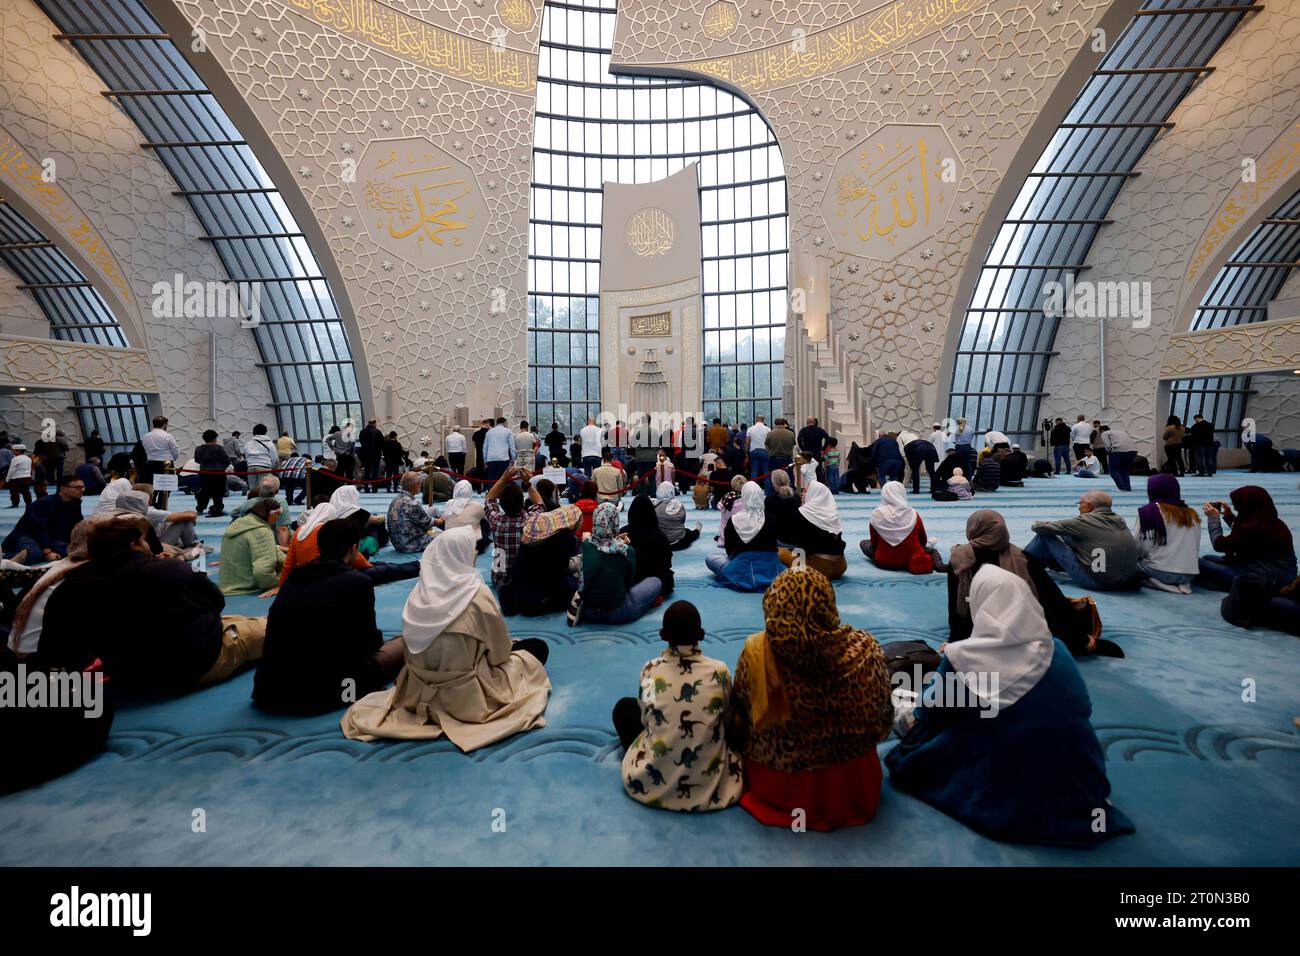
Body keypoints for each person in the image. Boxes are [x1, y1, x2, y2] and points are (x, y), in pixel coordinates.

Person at [887, 565, 1135, 847]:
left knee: (910, 721)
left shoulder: (964, 659)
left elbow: (931, 716)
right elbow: (1080, 708)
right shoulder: (1058, 649)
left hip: (1008, 792)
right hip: (1081, 784)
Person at [341, 526, 551, 749]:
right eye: (470, 549)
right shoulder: (477, 595)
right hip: (467, 697)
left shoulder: (418, 595)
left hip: (416, 691)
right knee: (537, 649)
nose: (473, 554)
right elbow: (499, 655)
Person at [727, 566, 893, 830]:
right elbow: (883, 715)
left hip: (782, 787)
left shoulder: (755, 654)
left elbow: (743, 718)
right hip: (854, 787)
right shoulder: (866, 648)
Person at [40, 515, 266, 694]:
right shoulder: (165, 570)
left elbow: (57, 650)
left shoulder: (71, 587)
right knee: (279, 626)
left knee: (236, 621)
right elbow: (216, 601)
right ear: (135, 545)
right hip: (196, 664)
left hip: (129, 677)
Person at [253, 518, 406, 713]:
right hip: (329, 691)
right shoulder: (357, 582)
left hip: (272, 688)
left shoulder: (294, 577)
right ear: (353, 549)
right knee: (409, 642)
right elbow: (367, 643)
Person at [611, 600, 743, 811]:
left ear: (663, 635)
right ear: (701, 634)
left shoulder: (649, 671)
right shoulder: (720, 671)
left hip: (652, 778)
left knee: (624, 709)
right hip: (712, 787)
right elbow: (726, 719)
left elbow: (646, 719)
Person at [947, 510, 1116, 657]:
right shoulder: (1024, 559)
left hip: (977, 635)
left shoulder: (959, 559)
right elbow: (1053, 603)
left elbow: (956, 607)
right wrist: (1080, 639)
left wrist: (956, 641)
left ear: (972, 530)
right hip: (1021, 634)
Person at [1025, 489, 1139, 590]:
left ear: (1090, 506)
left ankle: (1020, 564)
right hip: (1124, 581)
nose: (1079, 507)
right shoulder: (1120, 520)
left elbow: (1039, 528)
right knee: (1067, 537)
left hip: (1097, 581)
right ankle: (1041, 562)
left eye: (1080, 503)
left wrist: (1043, 524)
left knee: (1045, 535)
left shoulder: (1084, 521)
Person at [571, 502, 662, 626]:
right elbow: (628, 583)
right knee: (655, 581)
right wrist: (625, 545)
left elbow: (600, 547)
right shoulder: (626, 550)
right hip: (618, 612)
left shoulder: (586, 545)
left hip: (588, 612)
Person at [1197, 486, 1297, 596]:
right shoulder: (1272, 522)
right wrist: (1229, 516)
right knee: (1207, 558)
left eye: (1239, 506)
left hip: (1262, 578)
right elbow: (1243, 536)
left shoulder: (1252, 529)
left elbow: (1220, 544)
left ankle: (1231, 585)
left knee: (1196, 563)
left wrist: (1213, 518)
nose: (1236, 508)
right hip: (1278, 573)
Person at [500, 499, 582, 616]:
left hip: (521, 592)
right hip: (543, 597)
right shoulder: (566, 539)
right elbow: (560, 570)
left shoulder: (532, 531)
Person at [706, 481, 785, 591]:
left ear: (744, 497)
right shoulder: (771, 519)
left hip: (741, 565)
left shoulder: (734, 520)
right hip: (770, 566)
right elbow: (774, 543)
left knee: (711, 559)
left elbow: (729, 549)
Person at [1131, 475, 1201, 594]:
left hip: (1158, 571)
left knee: (1120, 564)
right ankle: (1181, 583)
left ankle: (1159, 583)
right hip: (1189, 574)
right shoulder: (1191, 513)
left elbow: (1139, 547)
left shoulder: (1150, 511)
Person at [2, 474, 84, 566]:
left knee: (74, 551)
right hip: (29, 536)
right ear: (63, 489)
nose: (82, 490)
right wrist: (47, 552)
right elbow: (39, 529)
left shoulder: (75, 504)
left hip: (52, 539)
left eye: (83, 487)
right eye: (78, 487)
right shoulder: (43, 503)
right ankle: (7, 562)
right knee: (34, 553)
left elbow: (77, 526)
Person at [860, 481, 938, 574]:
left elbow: (874, 543)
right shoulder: (913, 514)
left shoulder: (877, 514)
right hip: (913, 558)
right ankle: (939, 565)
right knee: (930, 550)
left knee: (864, 543)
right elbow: (923, 541)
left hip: (884, 562)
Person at [775, 480, 847, 580]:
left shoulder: (803, 513)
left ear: (814, 494)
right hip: (840, 567)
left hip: (816, 568)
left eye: (805, 491)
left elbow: (789, 540)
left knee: (779, 552)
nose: (802, 494)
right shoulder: (833, 514)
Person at [484, 465, 541, 586]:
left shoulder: (496, 521)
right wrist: (527, 482)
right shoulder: (532, 521)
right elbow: (540, 504)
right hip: (525, 580)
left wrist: (504, 478)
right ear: (522, 502)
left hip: (500, 580)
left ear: (502, 504)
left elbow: (489, 499)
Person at [219, 498, 285, 595]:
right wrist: (278, 585)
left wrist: (293, 563)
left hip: (227, 585)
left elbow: (273, 552)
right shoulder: (261, 531)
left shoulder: (237, 525)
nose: (278, 518)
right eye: (278, 514)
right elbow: (263, 571)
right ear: (270, 514)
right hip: (245, 587)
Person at [228, 474, 292, 546]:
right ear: (277, 491)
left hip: (248, 543)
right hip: (272, 545)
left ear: (259, 489)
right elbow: (282, 529)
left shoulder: (247, 503)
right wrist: (285, 551)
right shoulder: (281, 503)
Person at [387, 471, 438, 553]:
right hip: (410, 544)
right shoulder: (412, 503)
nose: (420, 486)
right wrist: (442, 520)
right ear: (415, 485)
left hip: (397, 544)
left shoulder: (396, 499)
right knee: (442, 537)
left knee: (433, 510)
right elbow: (427, 523)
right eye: (419, 483)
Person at [653, 481, 700, 550]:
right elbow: (682, 521)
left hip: (659, 542)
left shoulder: (652, 504)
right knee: (688, 532)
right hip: (679, 543)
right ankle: (698, 530)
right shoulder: (678, 505)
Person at [194, 429, 231, 517]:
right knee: (218, 492)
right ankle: (218, 509)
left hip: (204, 472)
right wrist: (222, 467)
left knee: (204, 491)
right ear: (214, 438)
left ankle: (200, 509)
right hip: (218, 473)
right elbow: (227, 460)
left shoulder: (198, 448)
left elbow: (197, 460)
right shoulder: (218, 448)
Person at [139, 416, 180, 488]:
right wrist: (174, 459)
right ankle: (162, 500)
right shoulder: (168, 436)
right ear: (164, 424)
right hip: (166, 464)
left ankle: (152, 499)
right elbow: (175, 450)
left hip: (151, 463)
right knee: (166, 488)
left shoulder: (145, 436)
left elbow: (144, 450)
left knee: (152, 487)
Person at [1101, 424, 1138, 491]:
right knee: (1124, 470)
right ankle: (1127, 488)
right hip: (1133, 451)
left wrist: (1109, 454)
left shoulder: (1104, 433)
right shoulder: (1121, 432)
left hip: (1119, 451)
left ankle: (1121, 488)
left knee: (1113, 470)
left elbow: (1108, 446)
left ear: (1102, 430)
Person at [764, 418, 796, 490]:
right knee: (789, 478)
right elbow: (793, 445)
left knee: (774, 479)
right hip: (787, 459)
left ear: (775, 424)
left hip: (774, 459)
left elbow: (766, 446)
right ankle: (790, 493)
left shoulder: (770, 434)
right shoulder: (790, 433)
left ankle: (774, 495)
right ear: (784, 424)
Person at [5, 444, 35, 509]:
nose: (12, 451)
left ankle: (15, 504)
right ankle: (29, 503)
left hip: (17, 478)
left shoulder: (15, 459)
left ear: (18, 451)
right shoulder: (28, 458)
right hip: (27, 477)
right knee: (26, 491)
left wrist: (7, 479)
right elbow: (30, 468)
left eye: (13, 450)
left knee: (14, 491)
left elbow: (11, 470)